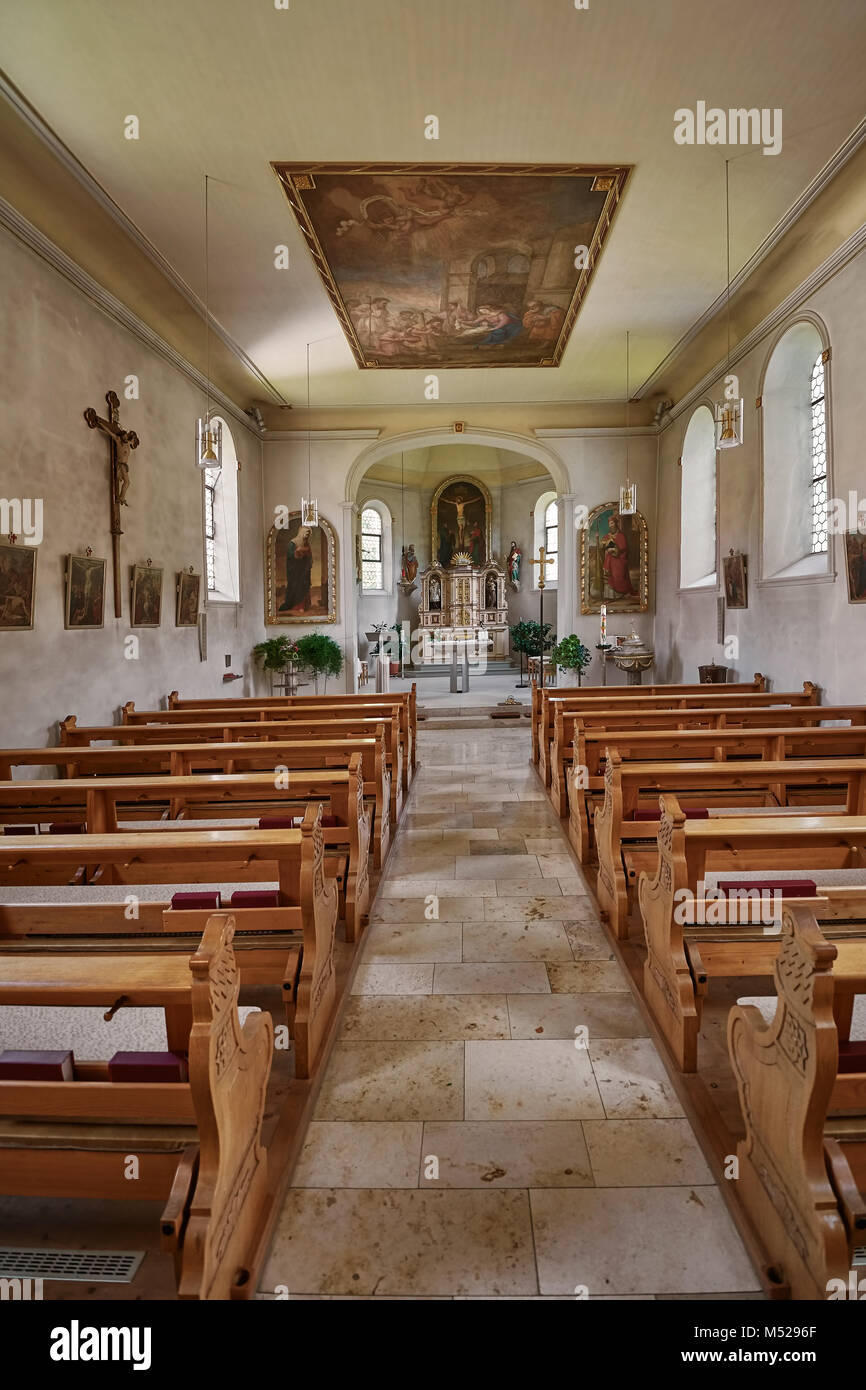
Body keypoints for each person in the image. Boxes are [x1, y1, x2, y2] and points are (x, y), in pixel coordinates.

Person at [602, 514, 638, 598]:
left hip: (620, 558)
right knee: (609, 562)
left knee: (617, 570)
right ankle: (611, 595)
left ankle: (621, 593)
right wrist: (604, 544)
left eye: (612, 524)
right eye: (609, 524)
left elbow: (623, 548)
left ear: (616, 524)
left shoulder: (621, 536)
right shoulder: (608, 536)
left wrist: (614, 550)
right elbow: (602, 543)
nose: (610, 526)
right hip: (611, 558)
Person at [279, 524, 314, 612]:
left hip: (304, 570)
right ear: (301, 532)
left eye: (308, 533)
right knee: (297, 587)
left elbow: (309, 556)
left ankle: (304, 605)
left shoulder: (307, 543)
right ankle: (297, 606)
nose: (307, 534)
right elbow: (290, 555)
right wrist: (298, 552)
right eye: (306, 532)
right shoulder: (293, 543)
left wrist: (307, 557)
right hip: (295, 571)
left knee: (304, 586)